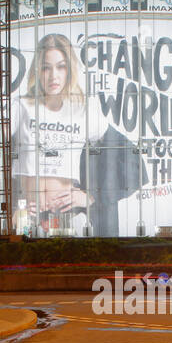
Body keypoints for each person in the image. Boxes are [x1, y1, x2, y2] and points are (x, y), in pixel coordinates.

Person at [11, 34, 107, 235]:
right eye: (46, 67)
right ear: (37, 71)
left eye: (61, 66)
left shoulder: (83, 109)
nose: (53, 76)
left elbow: (115, 157)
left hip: (67, 216)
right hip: (28, 219)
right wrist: (15, 210)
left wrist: (89, 198)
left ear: (69, 69)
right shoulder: (22, 106)